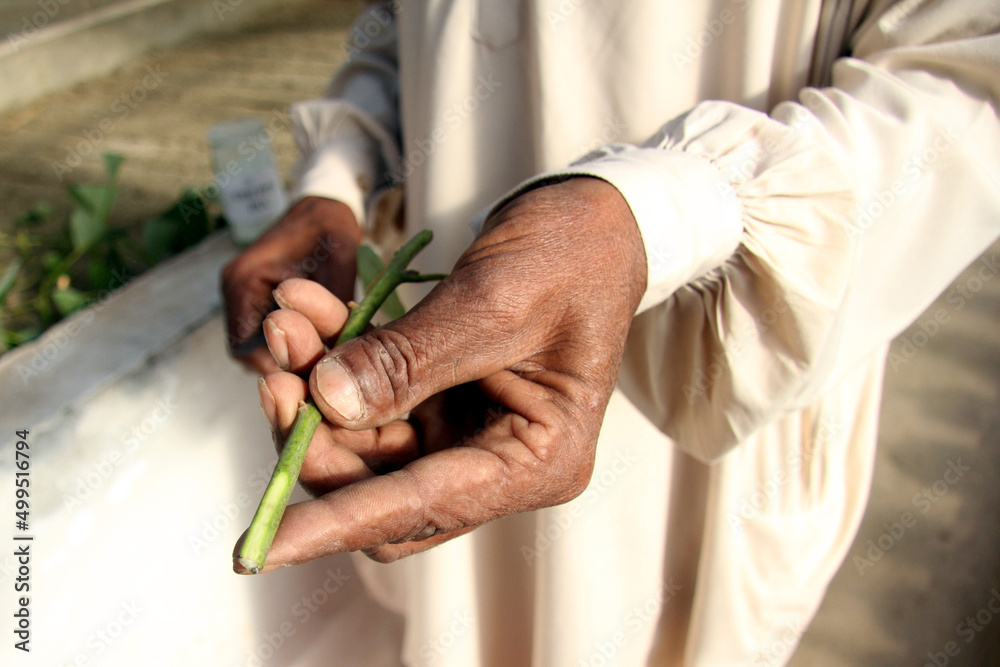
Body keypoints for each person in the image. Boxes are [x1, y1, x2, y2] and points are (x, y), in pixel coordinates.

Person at [222, 2, 1000, 665]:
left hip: (694, 354)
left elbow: (966, 75)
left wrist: (662, 215)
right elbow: (405, 23)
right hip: (440, 402)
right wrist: (339, 176)